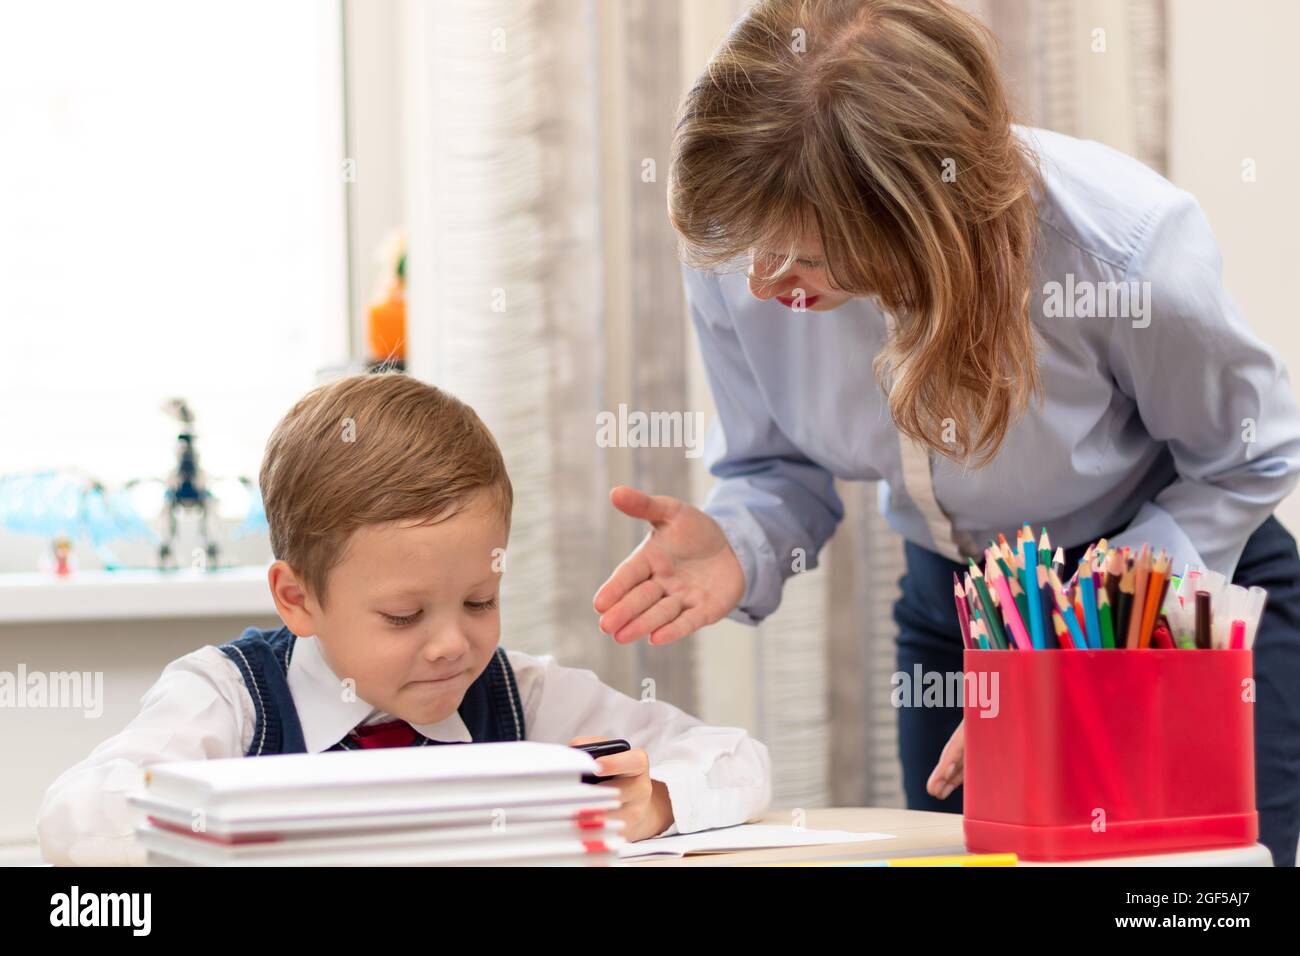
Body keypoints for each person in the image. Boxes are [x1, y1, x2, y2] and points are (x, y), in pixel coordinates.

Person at [594, 0, 1300, 865]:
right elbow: (777, 466)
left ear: (922, 216)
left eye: (808, 258)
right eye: (749, 246)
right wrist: (740, 541)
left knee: (1192, 906)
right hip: (963, 614)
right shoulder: (743, 233)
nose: (763, 280)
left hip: (1168, 597)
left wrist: (1092, 634)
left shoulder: (1121, 248)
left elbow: (1250, 453)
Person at [39, 372, 770, 865]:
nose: (454, 643)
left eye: (481, 601)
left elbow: (739, 759)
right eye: (403, 615)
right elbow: (70, 819)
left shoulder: (522, 696)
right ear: (297, 599)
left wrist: (655, 803)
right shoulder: (230, 699)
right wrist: (215, 810)